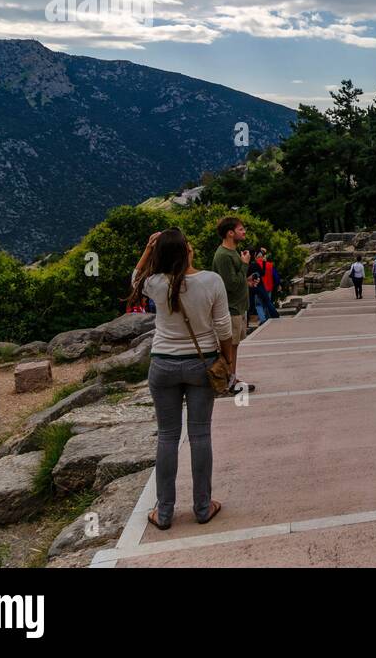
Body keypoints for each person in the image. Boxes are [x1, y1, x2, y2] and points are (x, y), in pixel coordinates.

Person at [129, 229, 229, 530]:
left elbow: (134, 279)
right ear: (187, 250)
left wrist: (148, 247)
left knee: (167, 436)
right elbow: (223, 328)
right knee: (200, 436)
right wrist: (229, 365)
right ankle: (202, 506)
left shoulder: (156, 283)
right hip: (202, 364)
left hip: (163, 365)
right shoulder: (211, 280)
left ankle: (164, 512)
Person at [212, 216, 256, 394]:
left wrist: (246, 281)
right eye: (240, 229)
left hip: (238, 308)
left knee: (234, 346)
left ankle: (232, 378)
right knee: (229, 347)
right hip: (230, 309)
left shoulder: (233, 252)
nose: (244, 231)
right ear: (230, 233)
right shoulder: (223, 255)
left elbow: (235, 280)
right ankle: (228, 382)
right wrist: (245, 265)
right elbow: (229, 284)